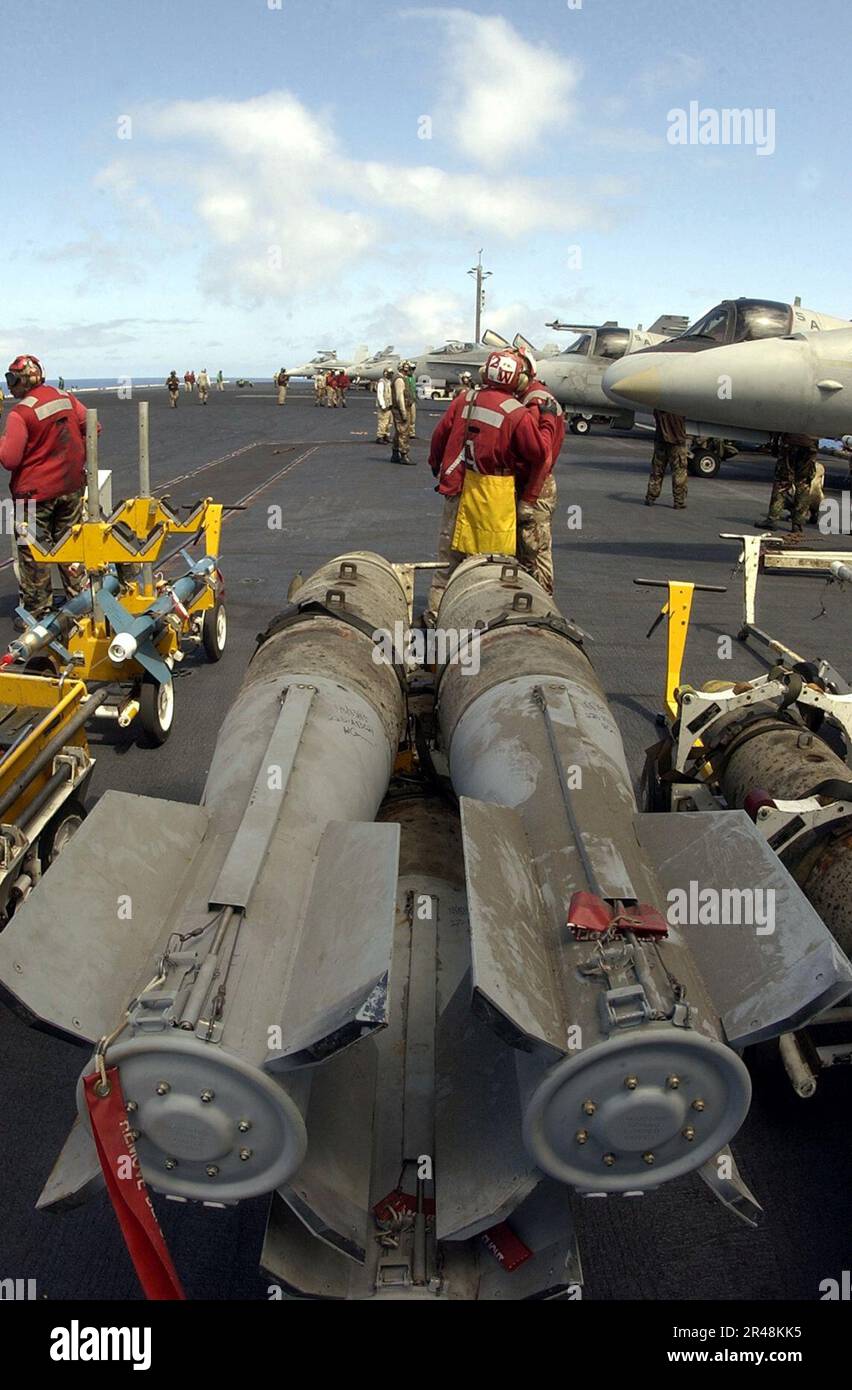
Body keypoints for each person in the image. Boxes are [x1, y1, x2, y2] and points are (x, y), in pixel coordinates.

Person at [423, 348, 561, 624]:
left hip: (459, 486)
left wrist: (436, 464)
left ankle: (436, 619)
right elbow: (539, 453)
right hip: (495, 494)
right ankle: (494, 618)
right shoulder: (517, 412)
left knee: (447, 562)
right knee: (497, 562)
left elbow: (439, 436)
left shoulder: (465, 398)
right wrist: (545, 423)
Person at [0, 355, 90, 622]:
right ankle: (81, 606)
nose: (10, 386)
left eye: (12, 379)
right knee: (71, 545)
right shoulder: (66, 398)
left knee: (34, 553)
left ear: (24, 381)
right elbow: (92, 426)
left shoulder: (21, 413)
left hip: (33, 497)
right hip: (71, 488)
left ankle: (37, 614)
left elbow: (9, 459)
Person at [515, 356, 565, 595]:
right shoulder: (536, 397)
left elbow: (541, 458)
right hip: (537, 485)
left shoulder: (534, 402)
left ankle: (545, 603)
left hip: (536, 486)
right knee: (529, 549)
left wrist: (529, 498)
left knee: (536, 548)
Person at [756, 434, 819, 535]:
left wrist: (775, 443)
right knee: (803, 485)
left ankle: (772, 519)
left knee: (782, 482)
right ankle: (797, 524)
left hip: (790, 442)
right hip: (810, 445)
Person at [646, 410, 688, 508]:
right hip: (677, 441)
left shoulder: (661, 406)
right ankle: (679, 501)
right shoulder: (678, 407)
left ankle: (651, 497)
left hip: (661, 440)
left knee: (657, 471)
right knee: (679, 472)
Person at [390, 364, 414, 464]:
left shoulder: (403, 378)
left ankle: (395, 454)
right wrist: (403, 412)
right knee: (404, 432)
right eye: (409, 369)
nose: (411, 371)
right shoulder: (399, 380)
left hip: (401, 408)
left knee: (398, 432)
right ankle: (404, 455)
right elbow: (399, 397)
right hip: (401, 409)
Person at [376, 369, 393, 443]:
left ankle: (386, 435)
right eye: (390, 373)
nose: (391, 375)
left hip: (389, 405)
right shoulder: (381, 382)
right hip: (384, 406)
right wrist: (383, 405)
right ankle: (380, 436)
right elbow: (380, 394)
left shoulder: (389, 382)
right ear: (385, 374)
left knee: (389, 422)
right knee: (383, 421)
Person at [404, 360, 418, 437]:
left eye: (413, 369)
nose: (412, 370)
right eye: (411, 369)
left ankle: (411, 432)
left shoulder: (413, 377)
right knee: (406, 416)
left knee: (413, 417)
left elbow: (413, 388)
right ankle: (405, 431)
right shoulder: (404, 378)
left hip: (412, 400)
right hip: (406, 400)